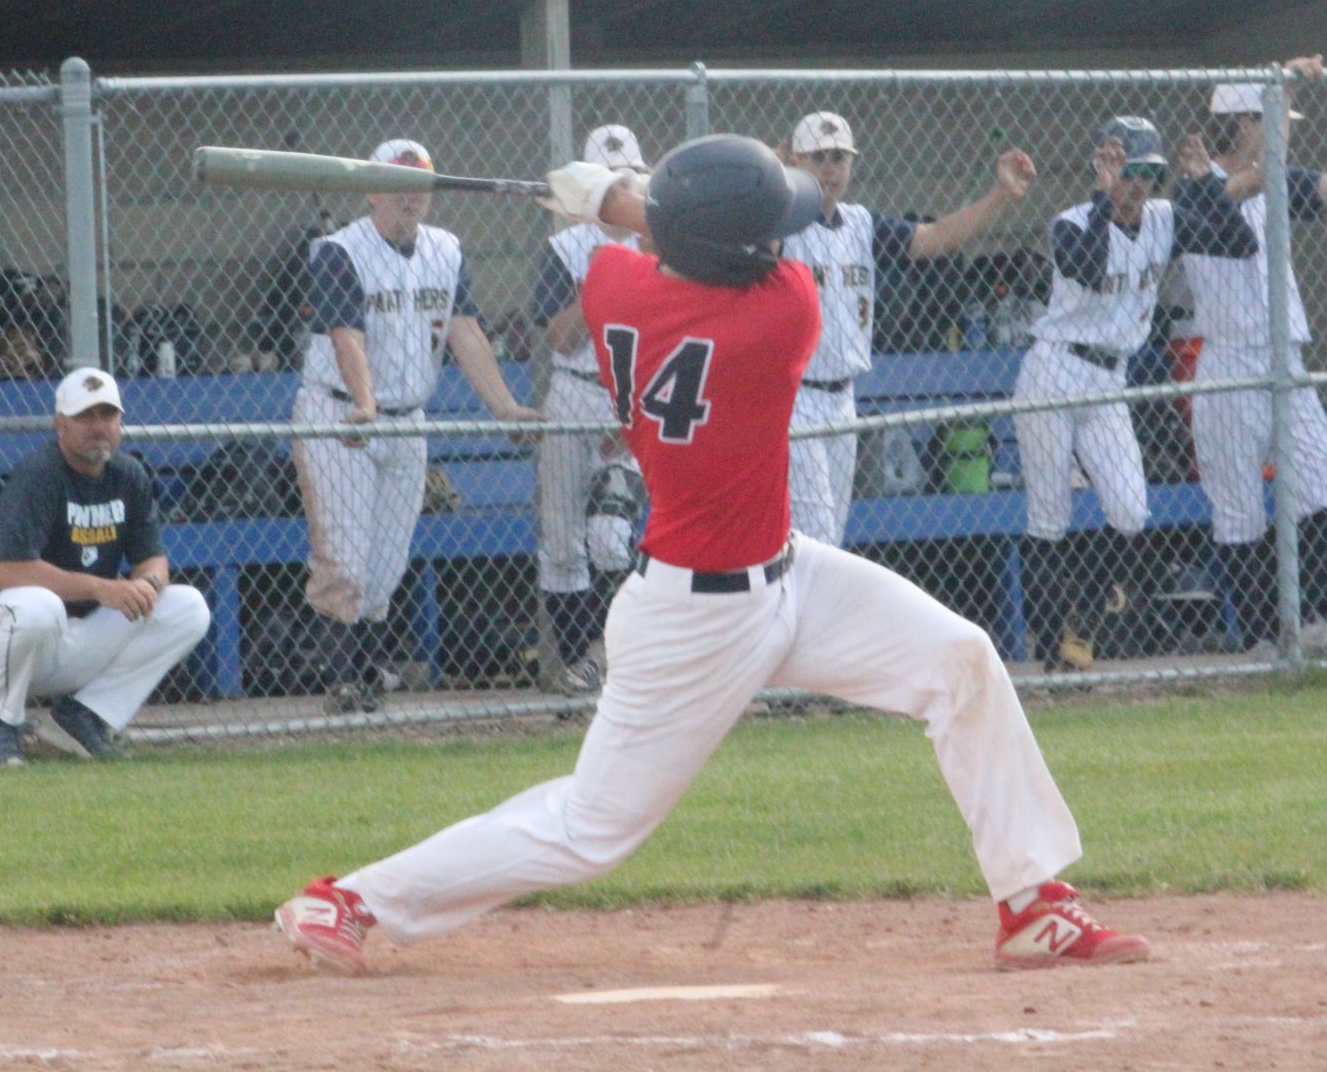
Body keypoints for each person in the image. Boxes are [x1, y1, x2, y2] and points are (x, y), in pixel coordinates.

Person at [275, 135, 1149, 975]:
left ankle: (1032, 903)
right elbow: (678, 228)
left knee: (961, 659)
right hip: (696, 619)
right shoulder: (784, 310)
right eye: (769, 224)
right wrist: (614, 190)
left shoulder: (614, 282)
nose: (787, 231)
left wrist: (603, 201)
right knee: (589, 828)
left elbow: (663, 234)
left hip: (786, 568)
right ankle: (347, 898)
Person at [293, 138, 544, 713]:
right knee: (345, 561)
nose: (410, 194)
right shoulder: (338, 250)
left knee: (386, 567)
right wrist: (364, 402)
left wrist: (505, 408)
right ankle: (343, 683)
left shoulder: (446, 251)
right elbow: (345, 334)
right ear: (372, 191)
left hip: (408, 418)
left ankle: (368, 672)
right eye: (398, 182)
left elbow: (465, 332)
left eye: (420, 182)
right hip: (339, 415)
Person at [1012, 117, 1263, 672]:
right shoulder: (1072, 222)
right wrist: (1103, 199)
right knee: (1048, 514)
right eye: (1127, 173)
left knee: (1131, 508)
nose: (1137, 186)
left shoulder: (1164, 218)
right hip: (1055, 366)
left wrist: (1201, 183)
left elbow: (1238, 242)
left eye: (1149, 174)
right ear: (1104, 169)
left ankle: (1082, 621)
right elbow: (1087, 265)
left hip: (1109, 378)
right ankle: (1055, 649)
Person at [1183, 56, 1327, 659]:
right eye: (1274, 118)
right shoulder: (1198, 188)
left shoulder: (1272, 176)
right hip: (1226, 363)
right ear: (1246, 123)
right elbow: (1230, 195)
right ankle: (1258, 639)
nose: (1286, 131)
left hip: (1285, 359)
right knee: (1239, 511)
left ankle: (1308, 621)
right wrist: (1290, 86)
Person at [779, 110, 1037, 546]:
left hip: (844, 399)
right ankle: (798, 612)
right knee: (815, 533)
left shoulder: (861, 223)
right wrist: (773, 177)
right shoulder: (780, 224)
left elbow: (935, 237)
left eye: (839, 157)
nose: (830, 167)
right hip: (796, 396)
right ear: (796, 162)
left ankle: (801, 609)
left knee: (830, 533)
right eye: (818, 156)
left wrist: (1000, 196)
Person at [0, 367, 212, 765]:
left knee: (188, 606)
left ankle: (85, 714)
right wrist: (102, 588)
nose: (99, 428)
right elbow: (12, 574)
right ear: (60, 425)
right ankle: (3, 726)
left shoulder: (129, 476)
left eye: (108, 416)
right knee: (38, 606)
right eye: (85, 417)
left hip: (73, 638)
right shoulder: (38, 475)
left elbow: (153, 559)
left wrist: (147, 584)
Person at [529, 123, 651, 693]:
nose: (618, 199)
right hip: (573, 389)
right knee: (561, 544)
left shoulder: (661, 250)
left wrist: (635, 417)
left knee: (608, 538)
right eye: (607, 187)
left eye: (627, 184)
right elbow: (559, 340)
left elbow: (669, 339)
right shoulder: (562, 249)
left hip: (635, 395)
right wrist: (599, 279)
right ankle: (583, 666)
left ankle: (616, 656)